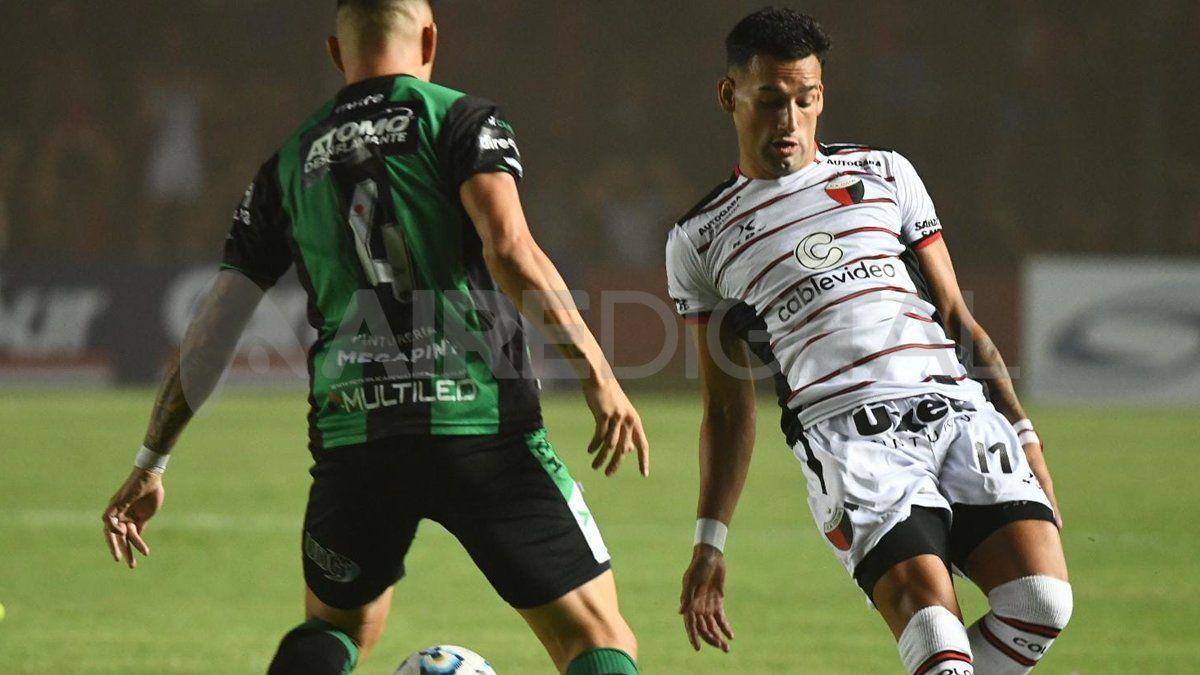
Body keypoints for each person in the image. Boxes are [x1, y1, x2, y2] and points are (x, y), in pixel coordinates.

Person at [101, 2, 648, 674]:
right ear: (430, 39)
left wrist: (152, 458)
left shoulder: (288, 164)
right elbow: (508, 246)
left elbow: (213, 330)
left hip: (355, 440)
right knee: (595, 637)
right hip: (480, 425)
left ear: (336, 52)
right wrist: (598, 372)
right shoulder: (461, 118)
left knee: (336, 629)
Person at [669, 8, 1071, 674]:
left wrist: (1027, 437)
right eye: (771, 100)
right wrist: (710, 542)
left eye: (807, 99)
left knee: (1042, 600)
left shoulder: (887, 173)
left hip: (956, 412)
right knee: (938, 643)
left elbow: (956, 315)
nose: (790, 120)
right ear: (729, 96)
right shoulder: (700, 239)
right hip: (851, 442)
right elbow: (724, 407)